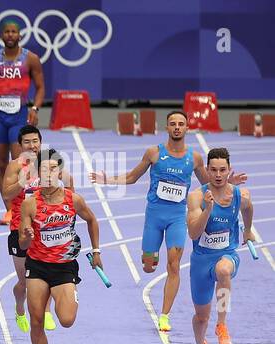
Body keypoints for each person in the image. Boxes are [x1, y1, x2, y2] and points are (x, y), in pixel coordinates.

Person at [90, 111, 246, 332]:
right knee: (148, 266)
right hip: (154, 216)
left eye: (181, 124)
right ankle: (148, 260)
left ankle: (164, 315)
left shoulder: (194, 158)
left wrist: (228, 182)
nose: (176, 127)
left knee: (173, 265)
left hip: (176, 218)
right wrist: (108, 179)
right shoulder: (154, 153)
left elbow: (209, 183)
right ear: (167, 127)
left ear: (187, 128)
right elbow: (133, 177)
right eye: (173, 124)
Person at [18, 147, 103, 344]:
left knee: (66, 320)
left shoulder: (72, 199)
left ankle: (64, 294)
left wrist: (96, 251)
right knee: (36, 321)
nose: (47, 174)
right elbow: (24, 243)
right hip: (37, 266)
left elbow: (92, 220)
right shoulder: (30, 204)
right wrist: (26, 235)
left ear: (59, 171)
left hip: (64, 267)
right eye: (42, 170)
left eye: (52, 169)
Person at [185, 148, 254, 344]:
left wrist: (249, 230)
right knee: (200, 318)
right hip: (201, 260)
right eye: (213, 169)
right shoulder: (196, 196)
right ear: (206, 170)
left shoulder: (239, 195)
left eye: (222, 170)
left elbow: (248, 208)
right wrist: (208, 210)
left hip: (226, 253)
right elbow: (194, 234)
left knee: (224, 269)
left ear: (228, 170)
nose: (217, 174)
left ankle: (222, 325)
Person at [0, 19, 45, 226]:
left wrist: (35, 108)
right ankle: (9, 209)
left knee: (20, 163)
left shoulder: (30, 59)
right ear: (2, 35)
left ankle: (27, 205)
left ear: (20, 35)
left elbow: (40, 88)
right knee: (1, 164)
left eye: (14, 31)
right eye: (7, 32)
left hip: (19, 114)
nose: (11, 35)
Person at [1, 125, 67, 332]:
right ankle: (19, 308)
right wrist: (23, 180)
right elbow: (6, 195)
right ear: (20, 146)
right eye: (27, 142)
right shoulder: (15, 166)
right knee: (24, 281)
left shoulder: (49, 162)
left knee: (42, 276)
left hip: (44, 228)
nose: (32, 145)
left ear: (40, 142)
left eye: (35, 141)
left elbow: (66, 185)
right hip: (19, 229)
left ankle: (45, 312)